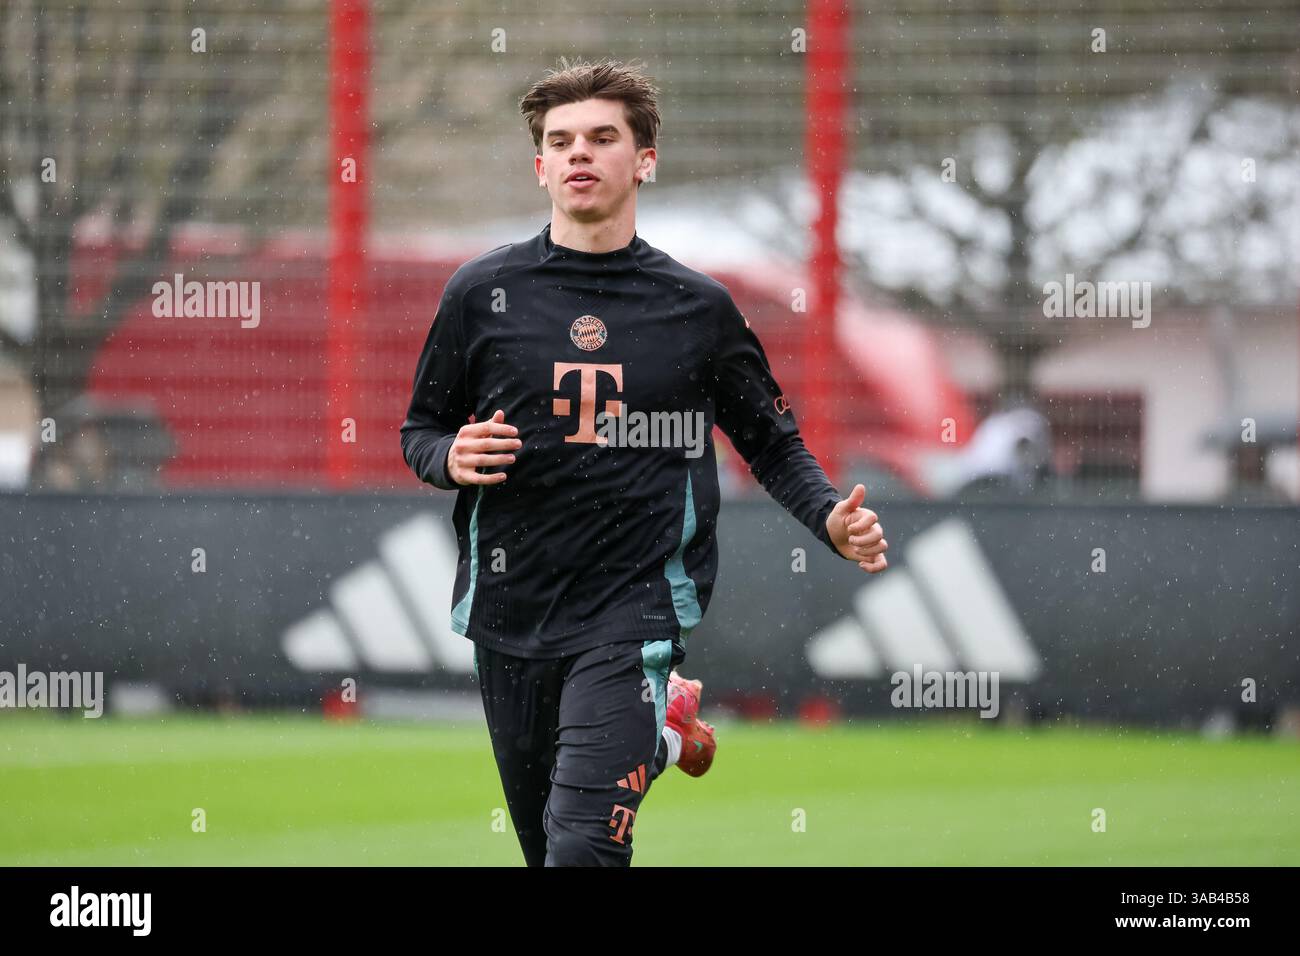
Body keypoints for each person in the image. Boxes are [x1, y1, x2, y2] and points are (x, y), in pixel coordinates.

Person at [400, 57, 888, 867]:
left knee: (583, 852)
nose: (579, 154)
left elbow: (769, 440)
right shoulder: (480, 293)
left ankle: (651, 715)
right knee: (546, 846)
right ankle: (662, 736)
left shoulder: (697, 308)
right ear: (540, 166)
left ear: (645, 160)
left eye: (601, 137)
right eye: (561, 142)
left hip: (634, 610)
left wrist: (829, 518)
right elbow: (420, 428)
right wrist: (449, 455)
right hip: (512, 613)